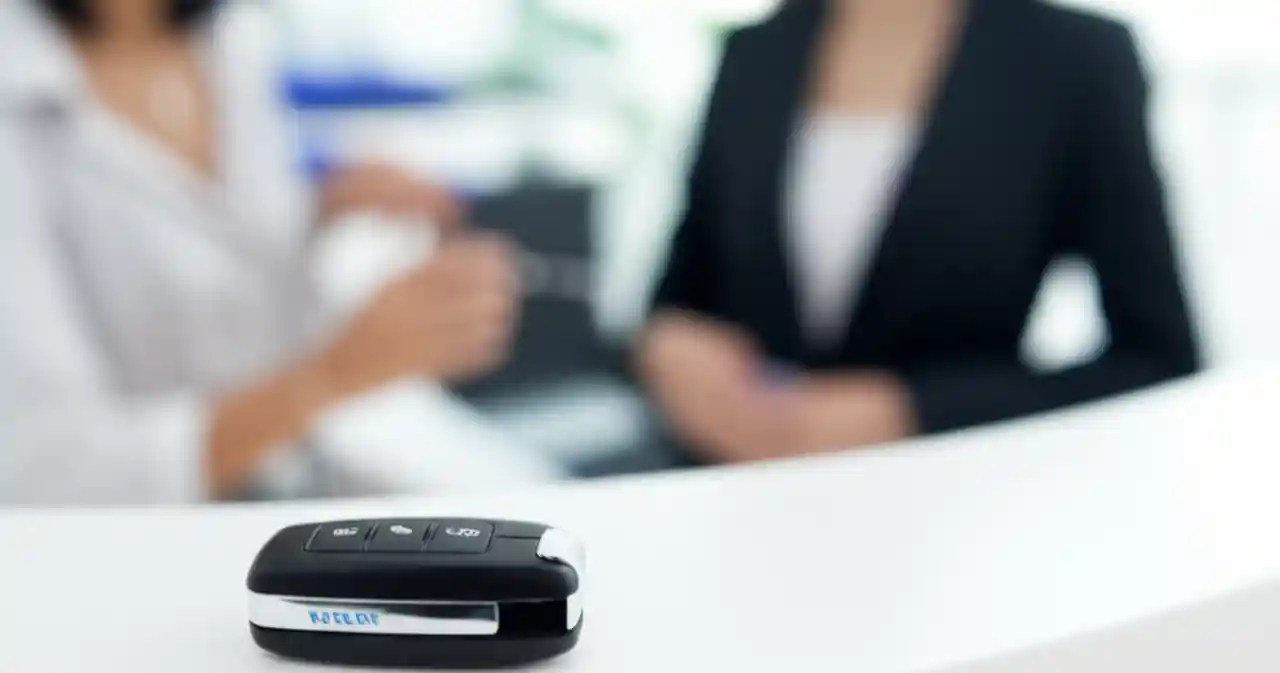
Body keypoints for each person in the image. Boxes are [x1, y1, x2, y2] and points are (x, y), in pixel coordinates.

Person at [0, 0, 520, 503]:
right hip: (135, 531)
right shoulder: (19, 83)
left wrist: (322, 207)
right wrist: (333, 375)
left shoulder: (232, 37)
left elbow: (213, 250)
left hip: (293, 464)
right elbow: (45, 470)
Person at [638, 0, 1200, 464]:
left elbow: (1158, 359)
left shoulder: (1076, 59)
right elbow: (678, 299)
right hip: (740, 495)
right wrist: (670, 350)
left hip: (951, 510)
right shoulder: (755, 55)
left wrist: (916, 411)